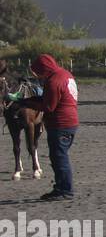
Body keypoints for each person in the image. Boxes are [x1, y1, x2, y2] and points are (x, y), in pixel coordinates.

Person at [11, 54, 79, 200]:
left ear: (44, 68)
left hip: (61, 124)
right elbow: (47, 98)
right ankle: (60, 187)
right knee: (58, 156)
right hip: (70, 122)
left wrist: (25, 103)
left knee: (60, 158)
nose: (38, 76)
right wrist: (25, 100)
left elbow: (48, 106)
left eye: (39, 72)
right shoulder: (65, 74)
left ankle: (65, 190)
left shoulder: (53, 81)